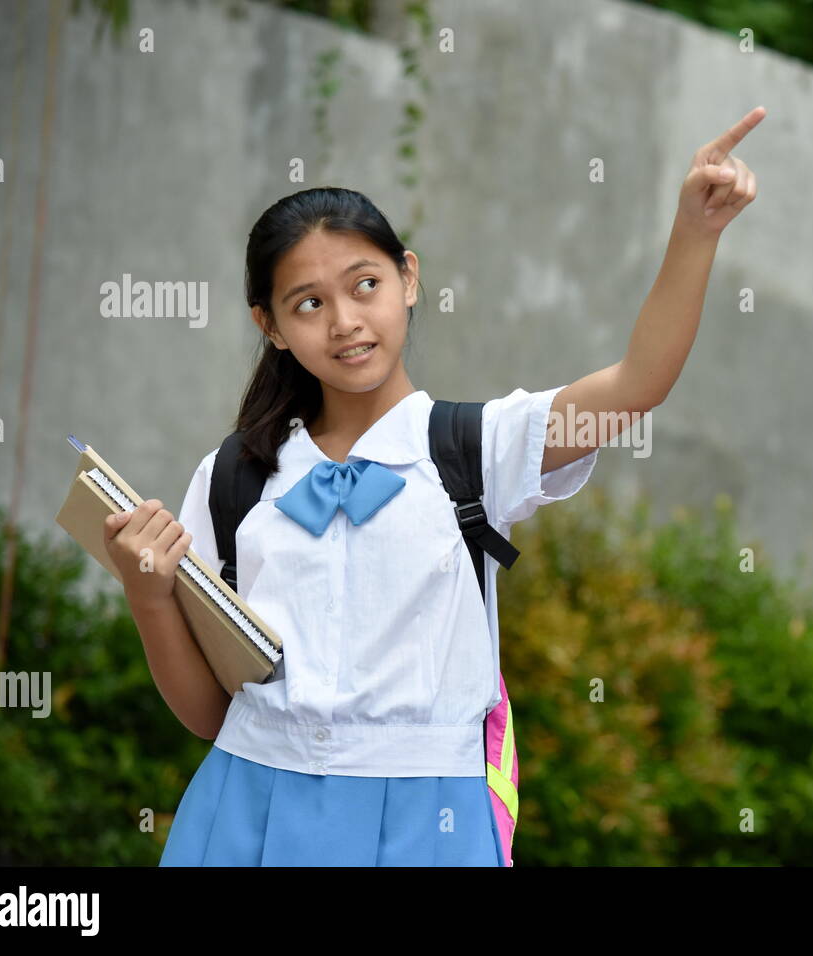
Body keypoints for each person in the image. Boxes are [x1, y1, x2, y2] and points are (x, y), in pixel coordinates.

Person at [103, 108, 763, 867]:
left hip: (430, 818)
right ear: (272, 325)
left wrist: (695, 231)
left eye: (366, 285)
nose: (347, 321)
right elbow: (212, 716)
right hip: (248, 808)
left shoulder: (478, 447)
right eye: (309, 303)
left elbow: (637, 385)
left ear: (408, 279)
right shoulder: (234, 477)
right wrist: (148, 595)